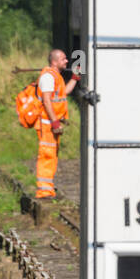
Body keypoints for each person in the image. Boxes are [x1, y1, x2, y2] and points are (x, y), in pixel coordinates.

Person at [36, 49, 79, 199]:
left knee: (52, 156)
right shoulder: (48, 77)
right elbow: (47, 100)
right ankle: (44, 191)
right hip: (48, 124)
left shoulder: (56, 77)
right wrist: (54, 122)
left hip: (52, 123)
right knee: (47, 156)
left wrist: (75, 77)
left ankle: (48, 188)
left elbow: (63, 92)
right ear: (54, 62)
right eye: (63, 59)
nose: (66, 61)